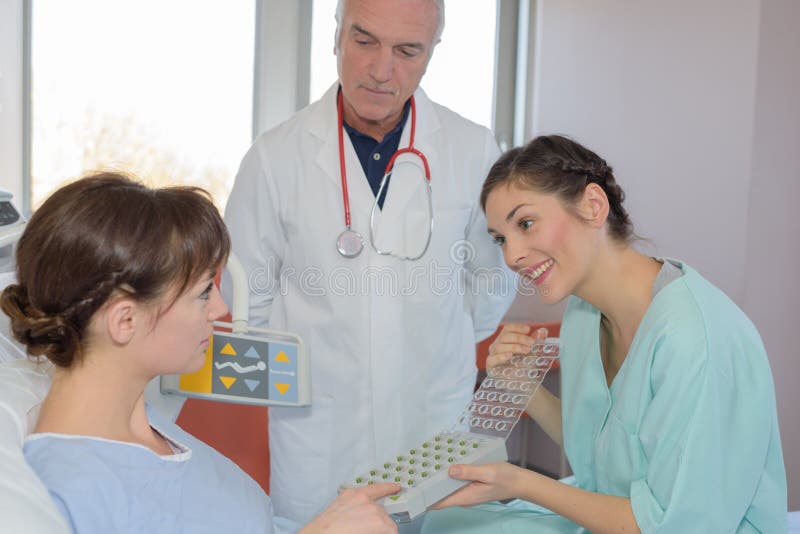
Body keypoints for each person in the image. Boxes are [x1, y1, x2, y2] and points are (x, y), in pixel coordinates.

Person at [224, 0, 514, 526]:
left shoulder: (472, 150)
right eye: (364, 41)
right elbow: (246, 299)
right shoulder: (274, 157)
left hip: (431, 422)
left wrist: (432, 344)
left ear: (431, 54)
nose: (382, 71)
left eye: (407, 51)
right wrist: (317, 372)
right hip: (321, 434)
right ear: (336, 36)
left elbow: (491, 278)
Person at [422, 135, 788, 533]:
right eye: (501, 239)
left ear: (593, 206)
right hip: (617, 513)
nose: (512, 256)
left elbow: (675, 524)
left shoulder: (694, 340)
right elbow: (600, 448)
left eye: (525, 224)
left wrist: (521, 482)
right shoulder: (585, 312)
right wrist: (524, 387)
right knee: (447, 523)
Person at [0, 173, 400, 534]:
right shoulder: (76, 490)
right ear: (125, 322)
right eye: (203, 292)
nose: (220, 310)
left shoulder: (145, 425)